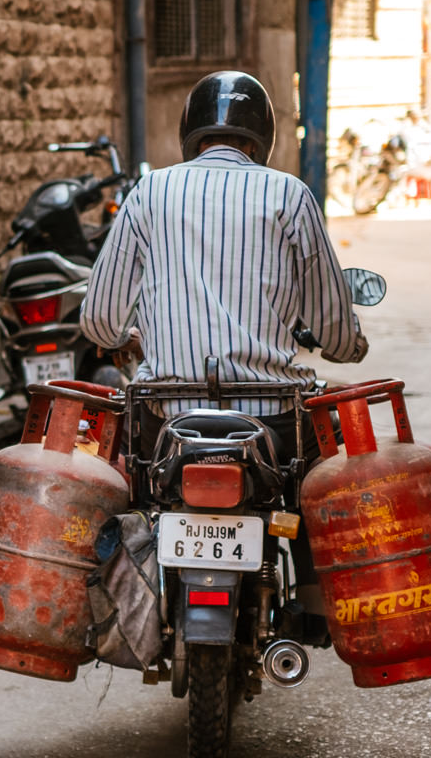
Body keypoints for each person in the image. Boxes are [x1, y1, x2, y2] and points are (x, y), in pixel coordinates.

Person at [82, 71, 367, 635]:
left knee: (130, 489)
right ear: (261, 139)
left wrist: (126, 339)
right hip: (270, 419)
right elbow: (333, 329)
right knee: (319, 479)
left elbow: (100, 321)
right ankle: (310, 607)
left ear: (190, 133)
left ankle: (122, 594)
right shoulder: (290, 195)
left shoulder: (149, 193)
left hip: (167, 418)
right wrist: (348, 344)